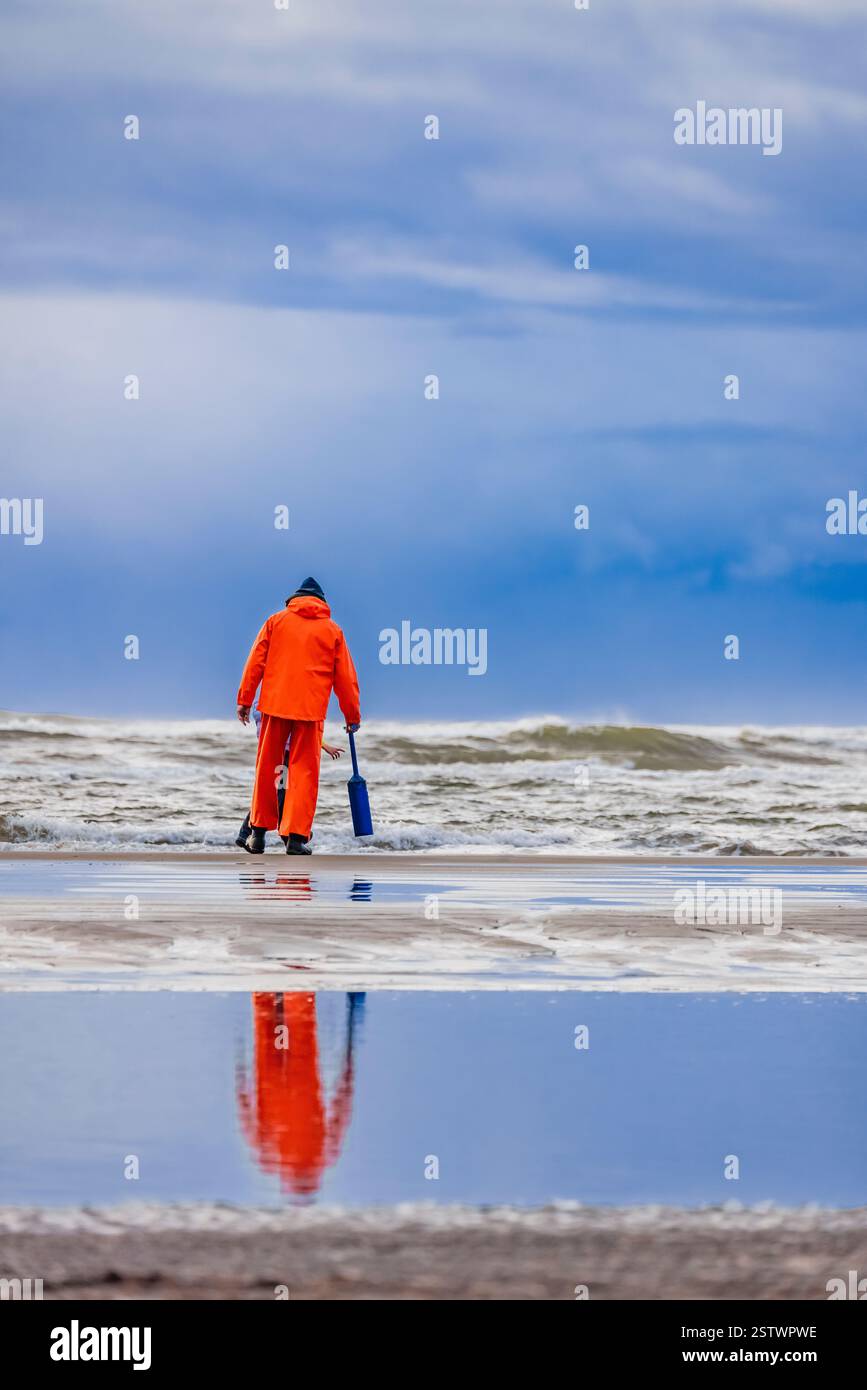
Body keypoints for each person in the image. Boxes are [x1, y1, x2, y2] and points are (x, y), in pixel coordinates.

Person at [236, 576, 361, 855]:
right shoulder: (332, 631)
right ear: (322, 602)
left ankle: (256, 836)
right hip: (310, 710)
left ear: (294, 599)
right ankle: (295, 839)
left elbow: (255, 661)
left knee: (267, 769)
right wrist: (352, 716)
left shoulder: (275, 622)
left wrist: (245, 699)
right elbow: (346, 679)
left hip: (274, 705)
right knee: (303, 774)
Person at [235, 716, 343, 852]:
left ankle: (265, 837)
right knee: (278, 795)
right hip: (286, 753)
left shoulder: (265, 706)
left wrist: (324, 745)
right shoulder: (275, 710)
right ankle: (248, 833)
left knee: (276, 794)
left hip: (276, 750)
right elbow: (298, 729)